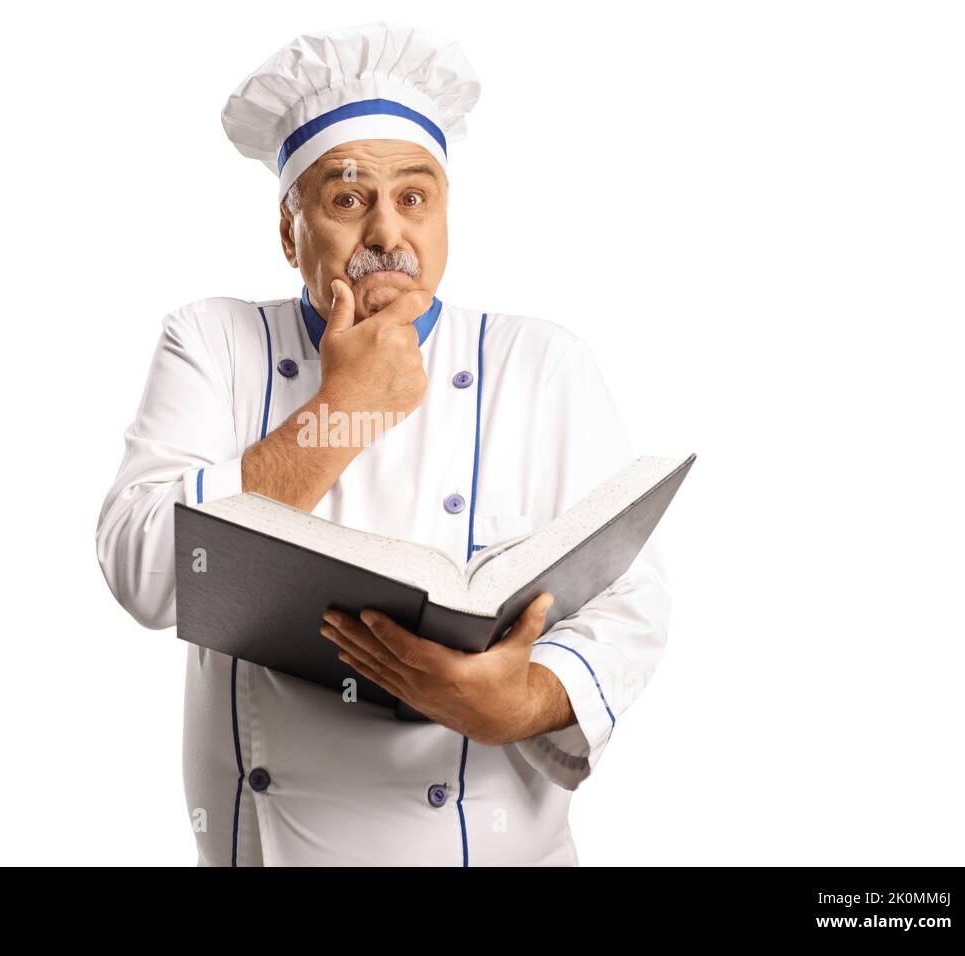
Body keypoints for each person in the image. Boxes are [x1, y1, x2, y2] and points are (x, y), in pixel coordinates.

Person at [96, 21, 672, 866]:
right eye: (346, 198)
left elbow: (633, 602)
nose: (386, 236)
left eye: (414, 198)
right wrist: (349, 410)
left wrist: (523, 701)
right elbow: (146, 575)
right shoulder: (212, 343)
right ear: (290, 233)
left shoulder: (539, 361)